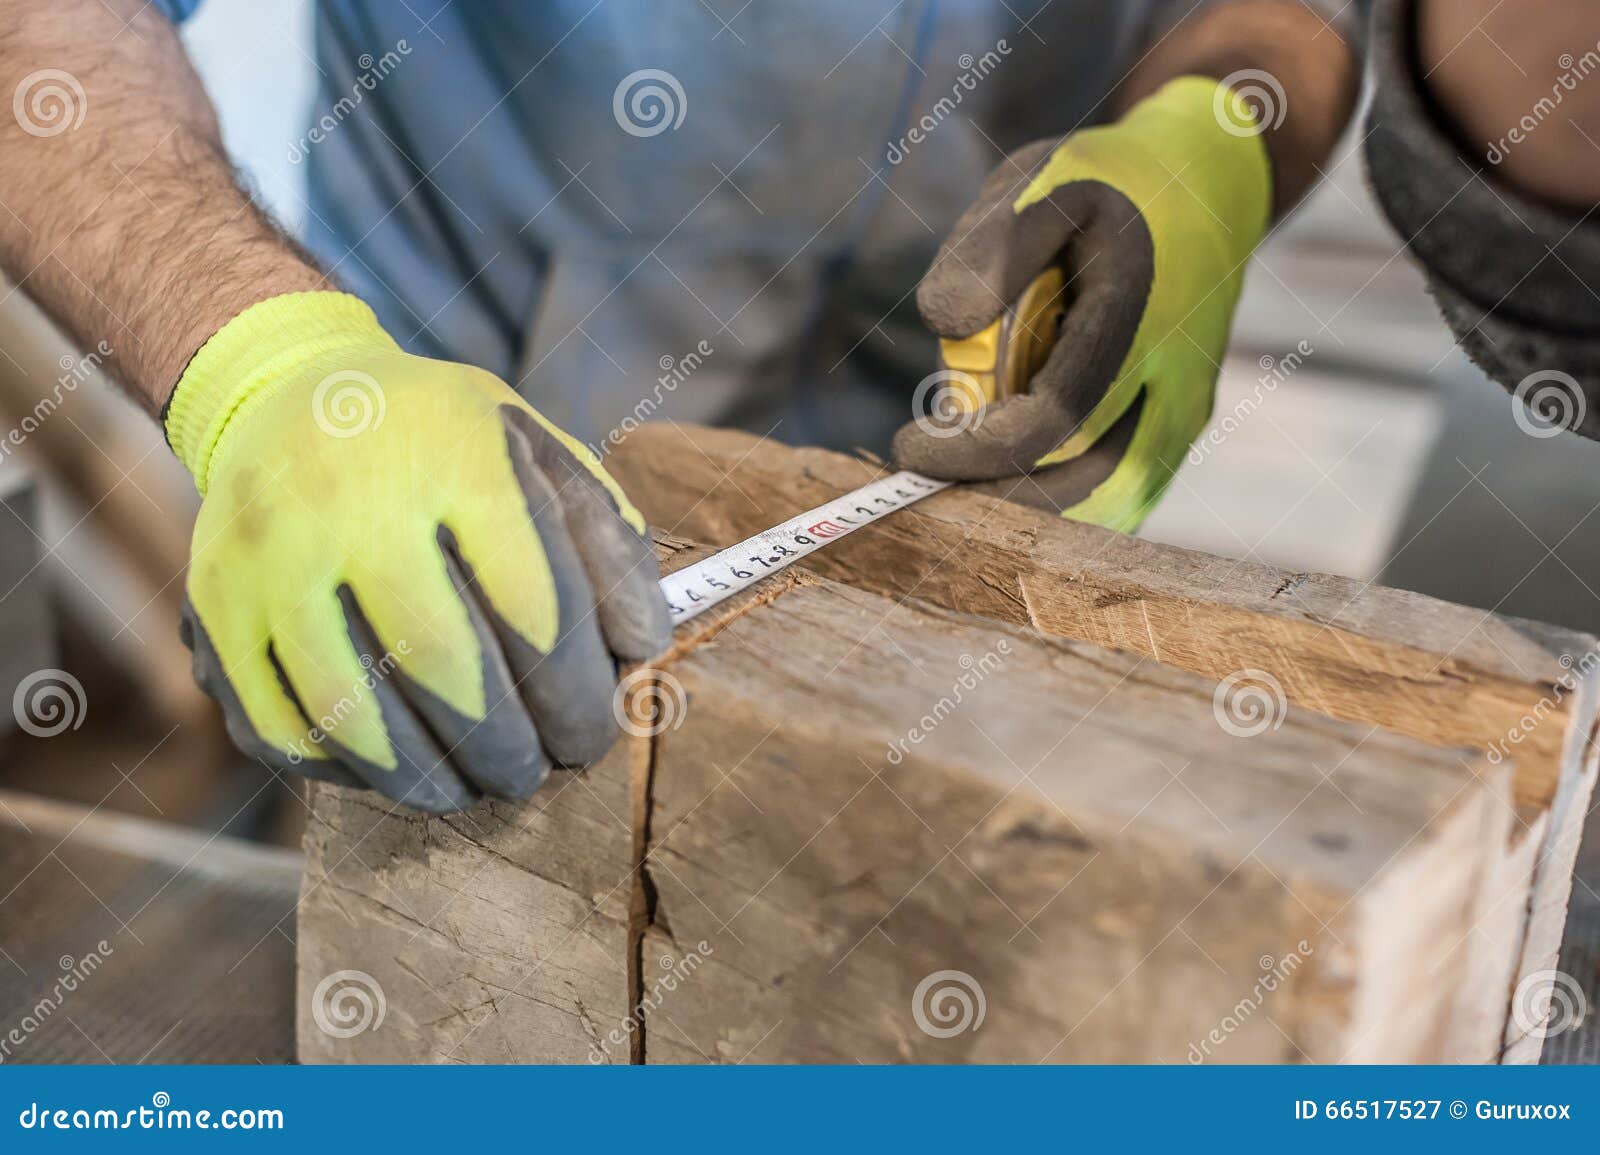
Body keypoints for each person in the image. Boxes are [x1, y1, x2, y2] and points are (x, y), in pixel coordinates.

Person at [1, 0, 1583, 814]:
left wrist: (1211, 140)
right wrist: (263, 373)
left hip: (974, 426)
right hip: (439, 435)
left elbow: (1291, 10)